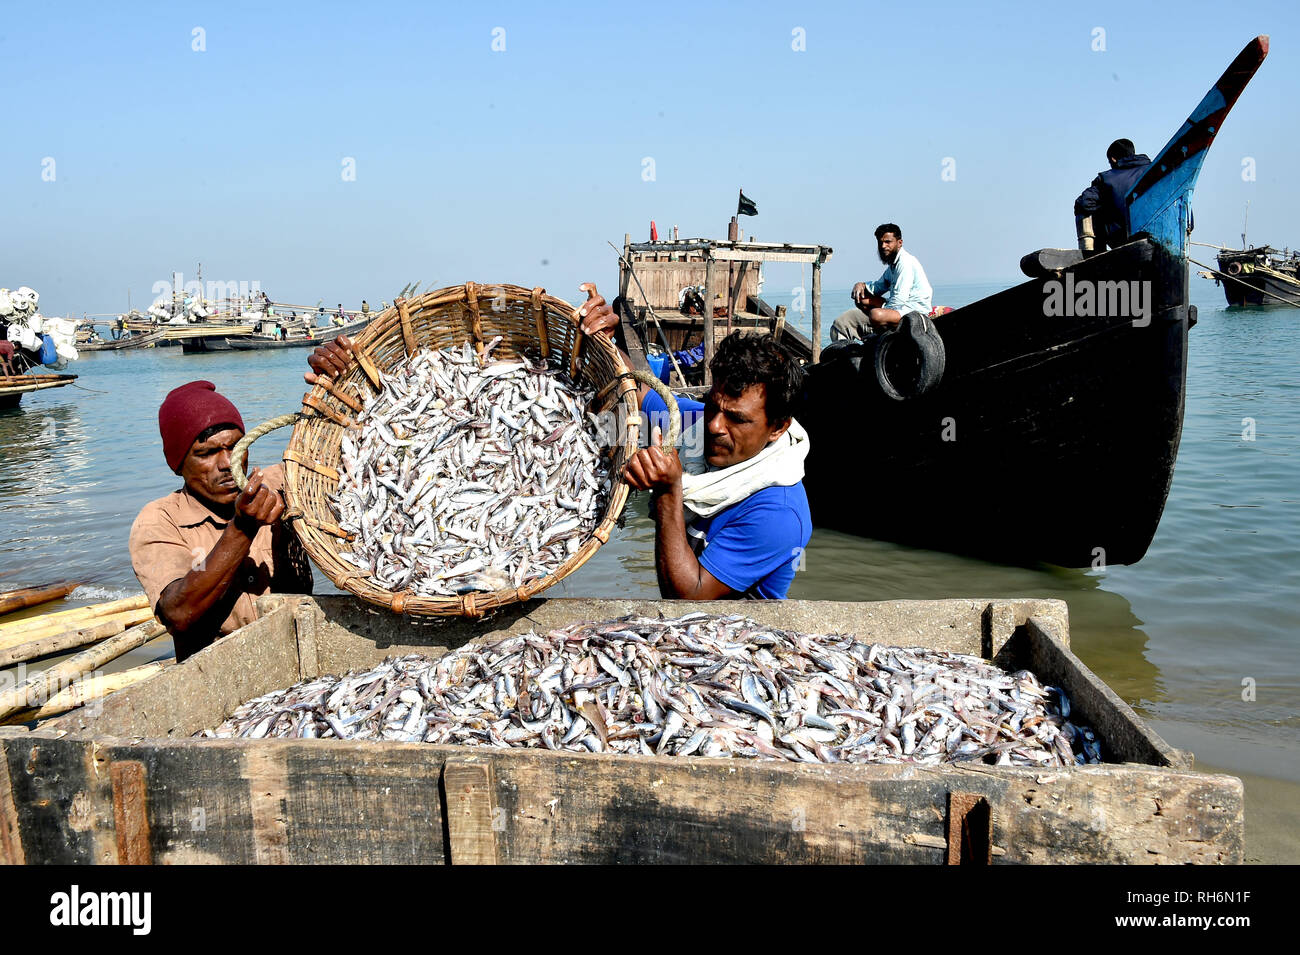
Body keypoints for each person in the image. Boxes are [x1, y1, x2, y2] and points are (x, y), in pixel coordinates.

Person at [576, 286, 812, 599]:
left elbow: (686, 599)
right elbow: (636, 387)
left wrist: (668, 490)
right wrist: (604, 338)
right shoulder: (694, 425)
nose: (714, 426)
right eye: (713, 405)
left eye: (737, 419)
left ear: (777, 428)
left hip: (731, 638)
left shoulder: (778, 513)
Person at [129, 381, 312, 661]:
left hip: (297, 656)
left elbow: (336, 449)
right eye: (206, 453)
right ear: (178, 465)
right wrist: (242, 530)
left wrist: (337, 375)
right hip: (217, 676)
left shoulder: (283, 482)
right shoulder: (159, 520)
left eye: (236, 447)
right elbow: (178, 612)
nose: (228, 463)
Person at [831, 223, 933, 342]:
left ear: (899, 243)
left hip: (913, 310)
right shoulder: (893, 266)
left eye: (888, 242)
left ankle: (881, 333)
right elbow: (878, 287)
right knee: (861, 298)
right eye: (880, 243)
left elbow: (899, 300)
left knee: (876, 315)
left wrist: (882, 312)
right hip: (899, 307)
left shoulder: (905, 263)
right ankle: (882, 330)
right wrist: (861, 285)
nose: (883, 246)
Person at [1074, 138, 1152, 255]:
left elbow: (1083, 203)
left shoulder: (1106, 179)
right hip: (1158, 236)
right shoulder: (1155, 170)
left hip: (1123, 240)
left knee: (1091, 208)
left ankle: (1093, 256)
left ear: (1113, 159)